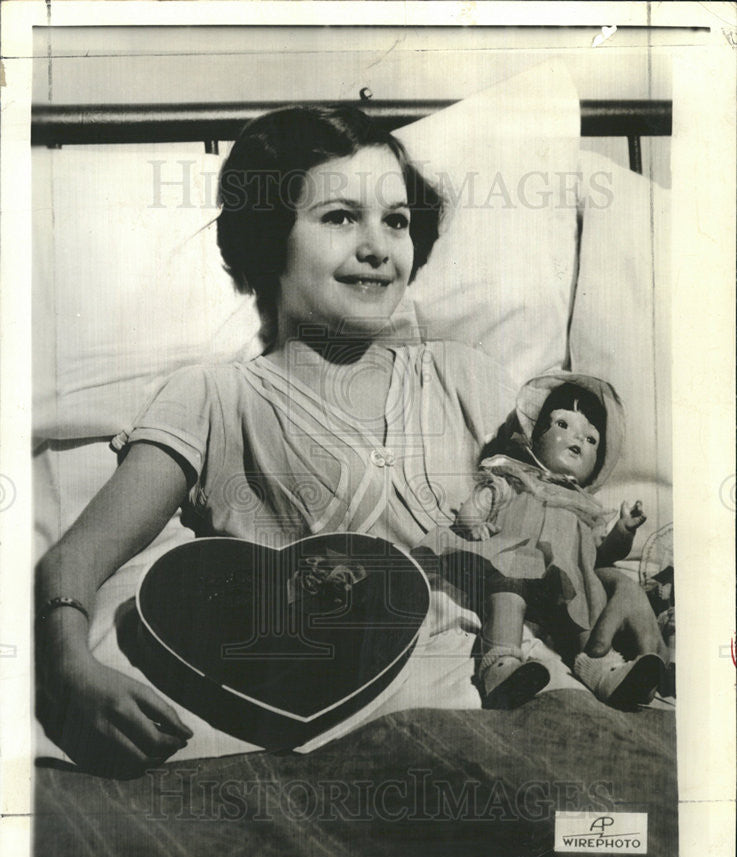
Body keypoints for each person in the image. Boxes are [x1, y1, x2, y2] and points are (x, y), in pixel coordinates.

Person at [35, 105, 667, 776]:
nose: (378, 247)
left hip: (534, 700)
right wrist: (71, 671)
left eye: (395, 221)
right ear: (269, 235)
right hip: (355, 735)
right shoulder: (215, 398)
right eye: (340, 217)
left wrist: (611, 583)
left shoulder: (466, 376)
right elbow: (71, 563)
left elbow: (543, 515)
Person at [419, 372, 663, 711]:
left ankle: (604, 671)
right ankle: (499, 665)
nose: (578, 439)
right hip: (511, 561)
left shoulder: (585, 508)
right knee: (506, 594)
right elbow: (479, 502)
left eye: (592, 440)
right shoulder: (515, 478)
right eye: (563, 425)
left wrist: (624, 530)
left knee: (581, 609)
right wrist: (472, 524)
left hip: (564, 581)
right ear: (533, 438)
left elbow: (601, 556)